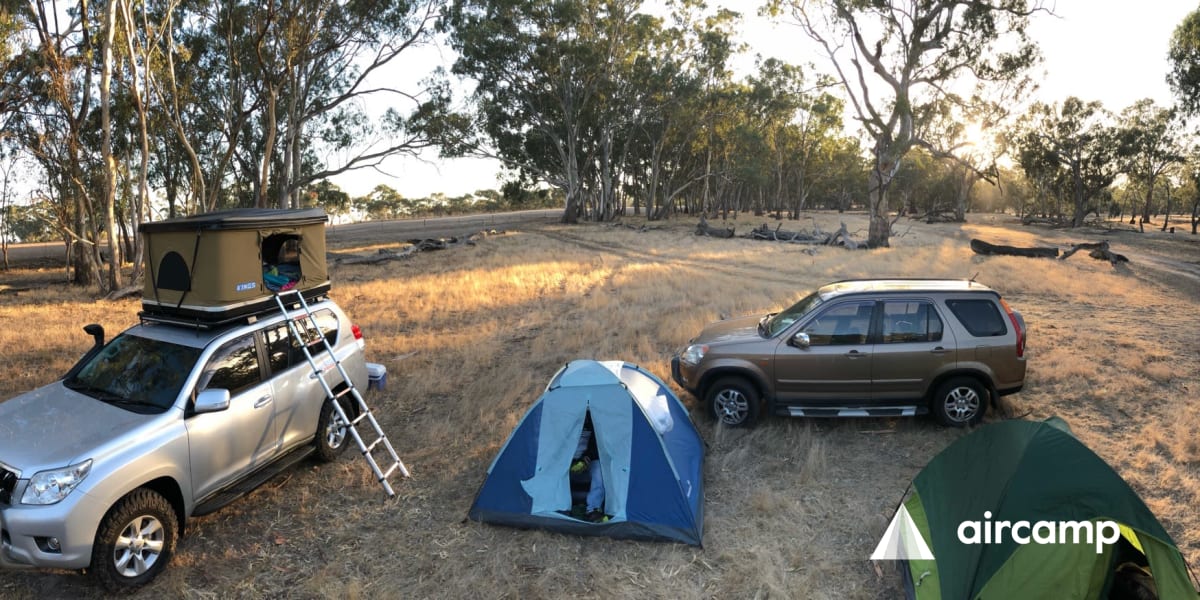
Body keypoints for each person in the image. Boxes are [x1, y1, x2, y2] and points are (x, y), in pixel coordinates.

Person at [570, 414, 606, 522]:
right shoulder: (565, 418)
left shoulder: (594, 419)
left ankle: (593, 510)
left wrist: (586, 458)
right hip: (566, 459)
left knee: (599, 470)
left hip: (587, 458)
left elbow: (597, 444)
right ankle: (558, 506)